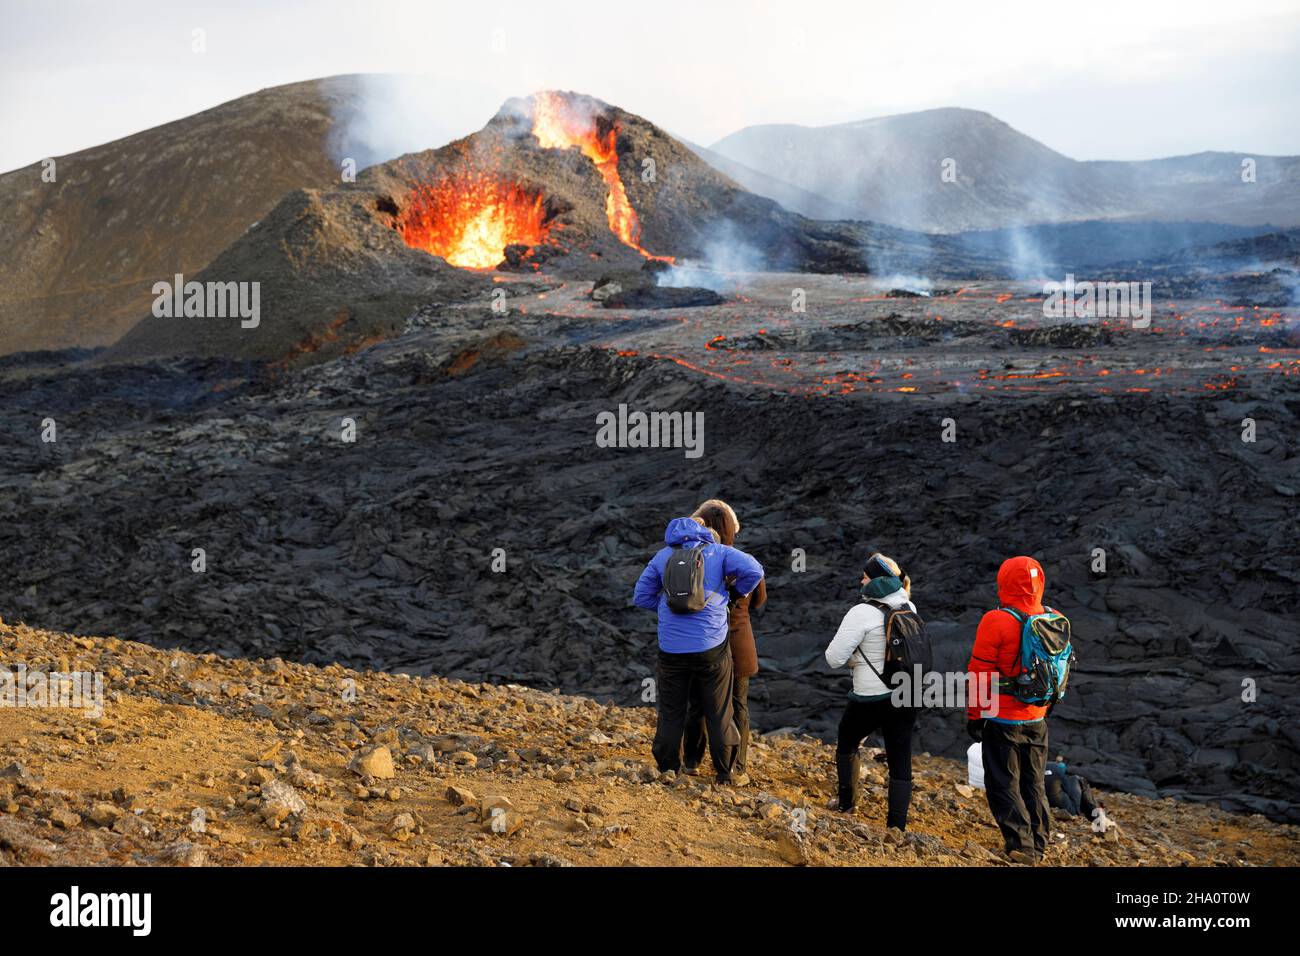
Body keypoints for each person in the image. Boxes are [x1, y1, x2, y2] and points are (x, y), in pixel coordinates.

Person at [633, 514, 764, 785]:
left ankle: (669, 767)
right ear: (701, 532)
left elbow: (641, 596)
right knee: (719, 711)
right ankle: (725, 772)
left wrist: (668, 607)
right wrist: (733, 594)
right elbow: (755, 571)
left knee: (671, 710)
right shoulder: (718, 552)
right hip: (711, 648)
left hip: (671, 650)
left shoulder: (661, 557)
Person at [966, 556, 1058, 864]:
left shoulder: (996, 620)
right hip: (1038, 716)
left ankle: (1021, 846)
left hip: (1004, 718)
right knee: (1033, 781)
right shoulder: (1053, 618)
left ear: (1004, 582)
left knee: (1003, 783)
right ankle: (1039, 843)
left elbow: (980, 673)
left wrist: (975, 715)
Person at [824, 553, 918, 831]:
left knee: (848, 741)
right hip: (907, 694)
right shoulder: (908, 605)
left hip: (871, 697)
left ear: (875, 580)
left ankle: (846, 804)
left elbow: (833, 658)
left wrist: (856, 658)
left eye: (865, 576)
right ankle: (897, 827)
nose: (860, 580)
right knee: (900, 760)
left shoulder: (860, 612)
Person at [681, 499, 766, 780]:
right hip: (739, 645)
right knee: (738, 704)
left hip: (702, 644)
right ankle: (735, 767)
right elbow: (759, 601)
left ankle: (691, 761)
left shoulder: (693, 559)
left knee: (699, 704)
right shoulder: (743, 562)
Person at [1045, 753, 1102, 821]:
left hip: (1041, 807)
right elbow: (1067, 789)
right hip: (1068, 810)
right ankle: (1096, 817)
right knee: (1078, 780)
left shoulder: (1037, 769)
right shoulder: (1057, 768)